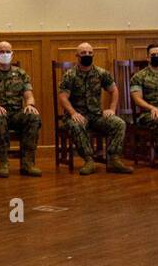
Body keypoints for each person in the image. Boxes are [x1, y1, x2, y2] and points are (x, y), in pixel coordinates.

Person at [57, 42, 132, 175]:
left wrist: (112, 109)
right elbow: (63, 97)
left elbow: (114, 90)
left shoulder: (101, 73)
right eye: (83, 53)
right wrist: (73, 113)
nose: (87, 55)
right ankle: (89, 160)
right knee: (76, 125)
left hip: (96, 115)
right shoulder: (70, 75)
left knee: (119, 123)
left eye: (90, 53)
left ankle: (114, 159)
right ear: (77, 56)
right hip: (77, 115)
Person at [0, 41, 41, 177]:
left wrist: (30, 105)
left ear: (12, 54)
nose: (5, 54)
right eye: (1, 52)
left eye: (7, 52)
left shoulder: (21, 74)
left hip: (16, 114)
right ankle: (3, 162)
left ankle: (27, 163)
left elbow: (29, 96)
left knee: (33, 117)